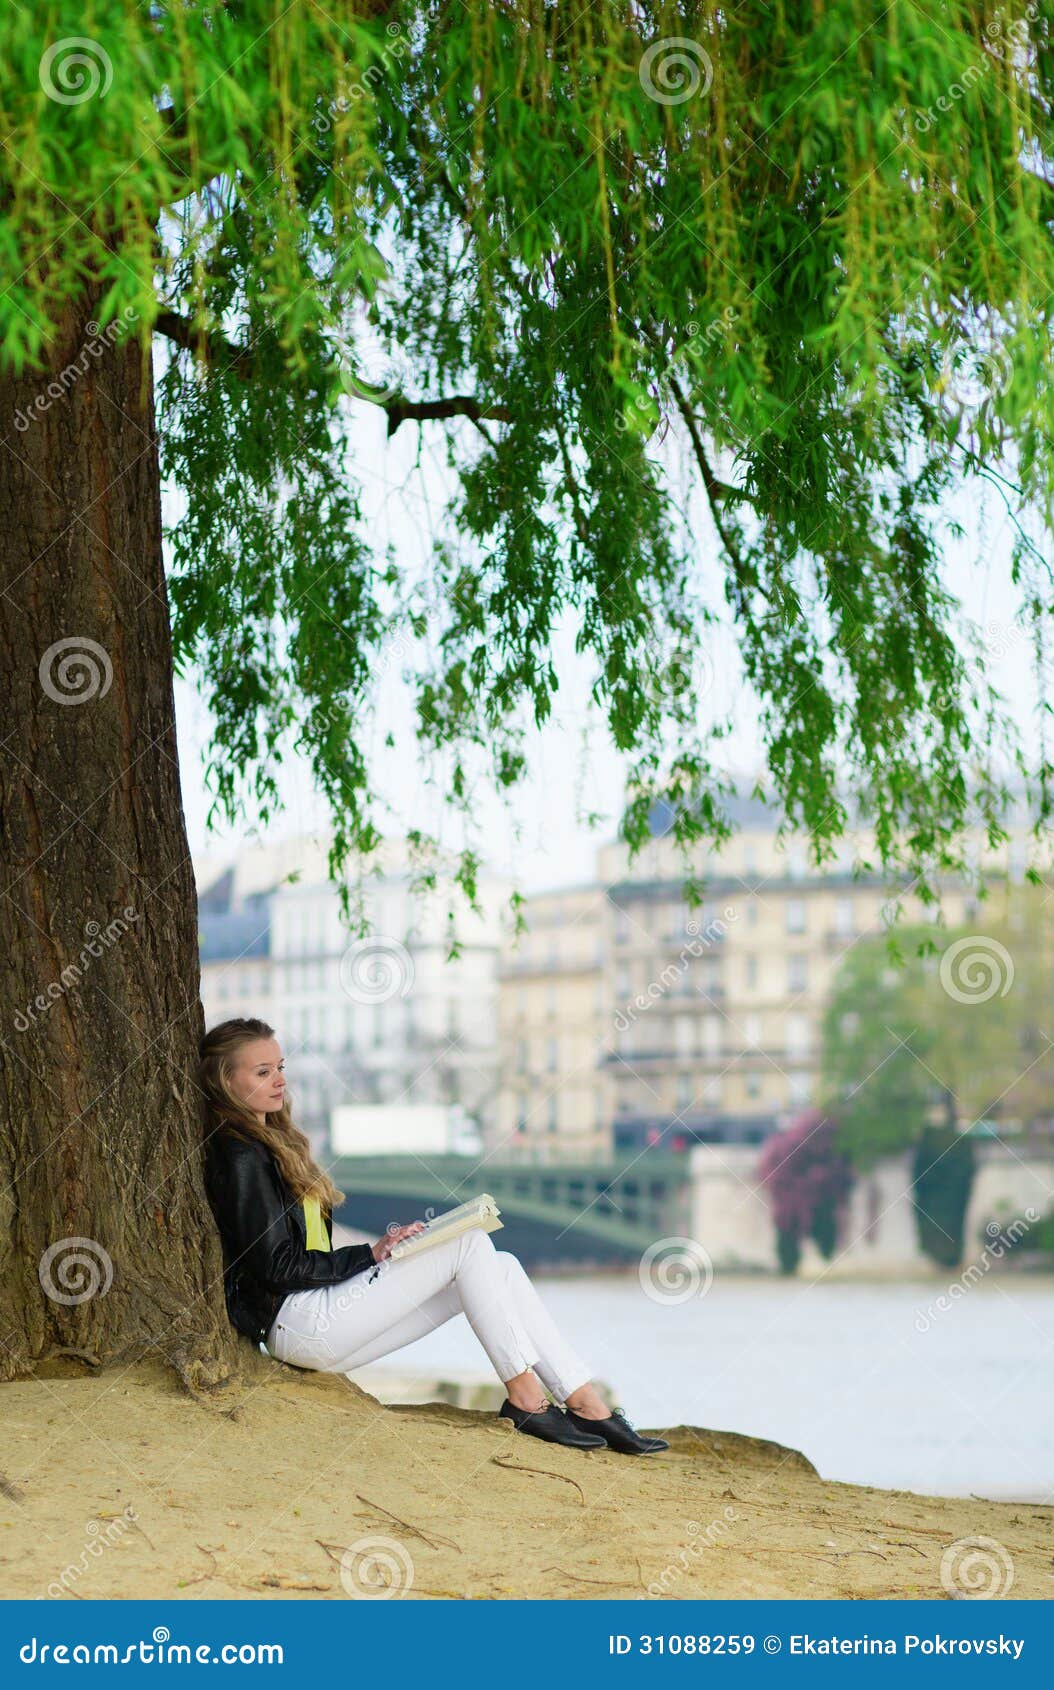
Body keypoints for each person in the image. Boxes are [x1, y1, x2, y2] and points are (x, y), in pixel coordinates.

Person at [199, 1017, 667, 1455]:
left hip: (316, 1318)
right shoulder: (242, 1156)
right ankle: (527, 1400)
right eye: (262, 1071)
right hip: (296, 1323)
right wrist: (371, 1254)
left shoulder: (272, 1145)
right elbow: (276, 1267)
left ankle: (588, 1405)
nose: (279, 1079)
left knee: (501, 1267)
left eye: (280, 1067)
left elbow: (305, 1254)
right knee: (469, 1243)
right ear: (226, 1080)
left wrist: (380, 1254)